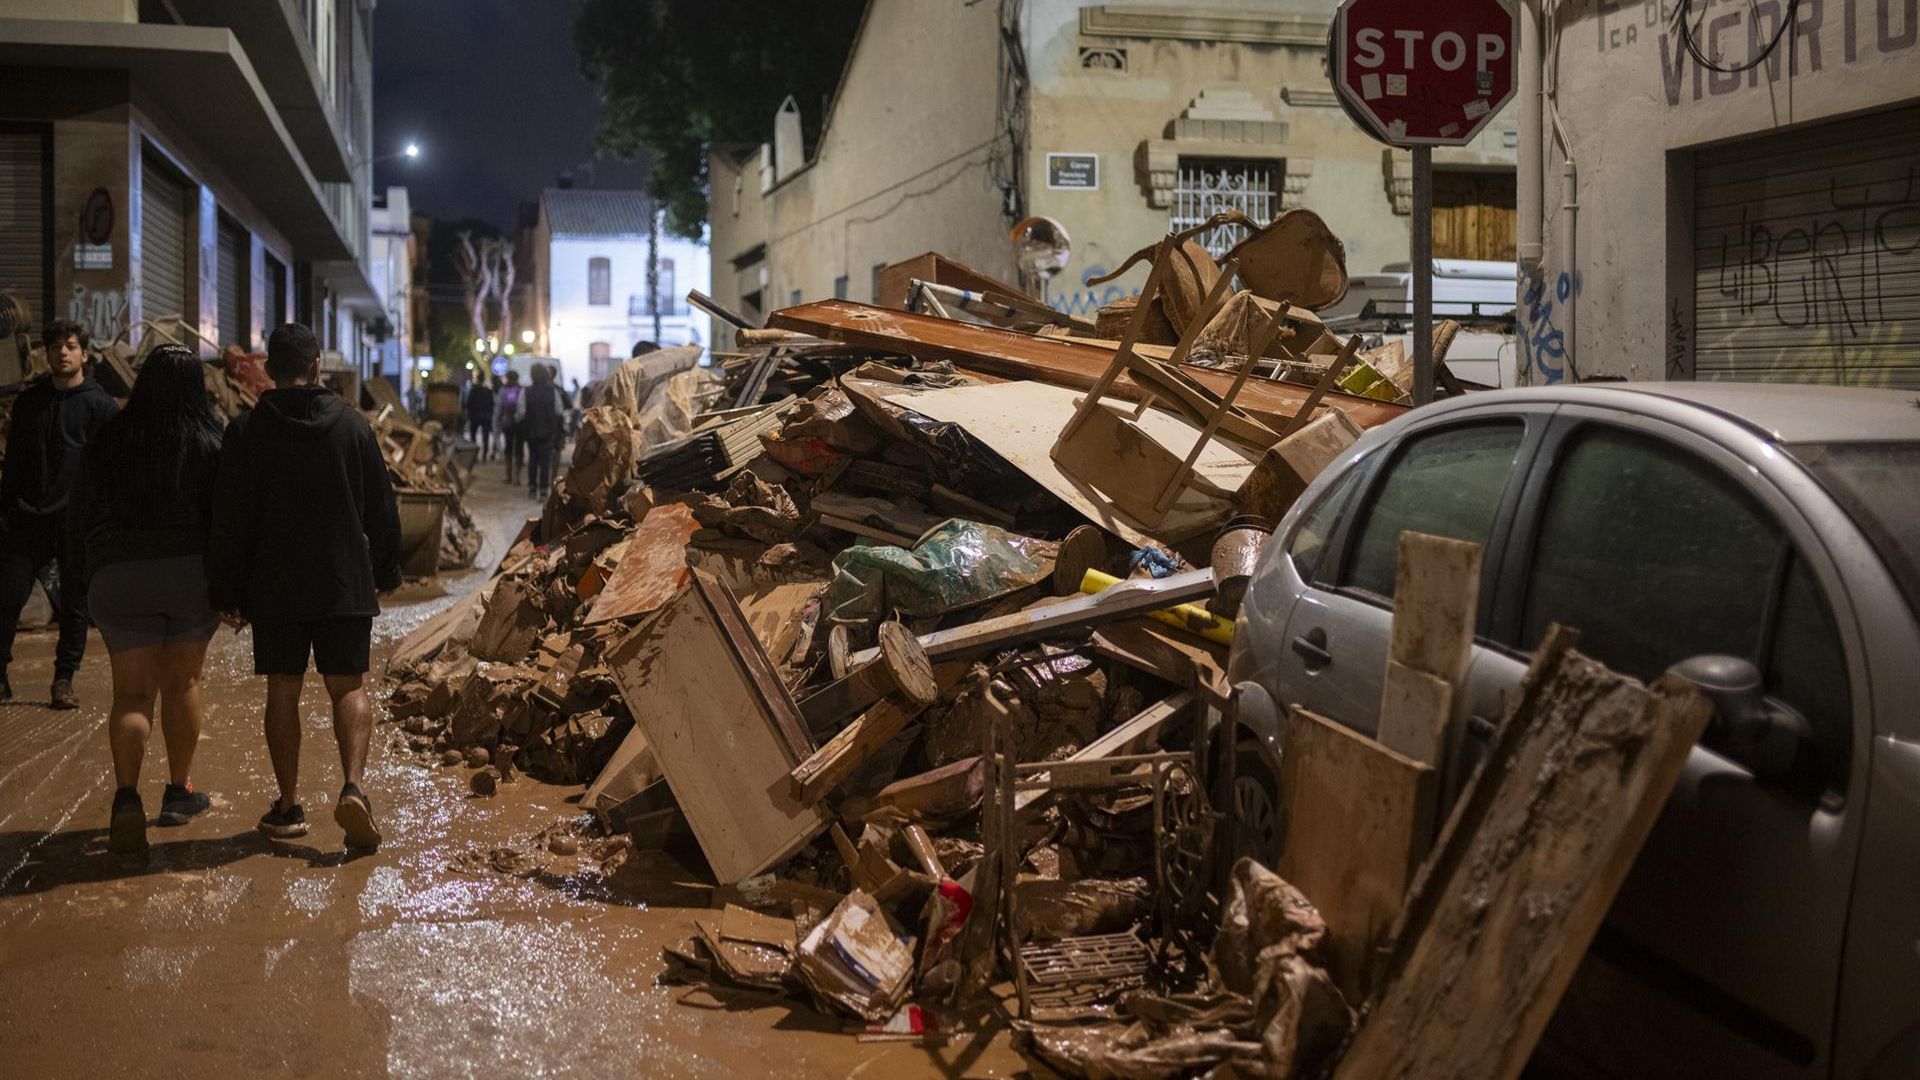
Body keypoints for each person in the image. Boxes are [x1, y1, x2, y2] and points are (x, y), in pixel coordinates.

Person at [209, 323, 401, 850]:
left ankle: (289, 805)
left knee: (284, 690)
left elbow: (229, 518)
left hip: (274, 586)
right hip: (342, 581)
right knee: (349, 688)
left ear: (269, 371)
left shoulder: (246, 432)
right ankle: (354, 788)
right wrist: (384, 573)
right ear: (317, 367)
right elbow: (381, 509)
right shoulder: (353, 427)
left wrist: (226, 592)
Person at [69, 345, 222, 852]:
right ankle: (178, 794)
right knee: (183, 684)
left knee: (131, 694)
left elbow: (81, 509)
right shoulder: (209, 440)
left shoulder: (111, 436)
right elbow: (228, 519)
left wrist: (83, 575)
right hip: (189, 575)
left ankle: (126, 799)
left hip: (118, 574)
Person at [0, 319, 117, 708]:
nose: (62, 353)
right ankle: (0, 675)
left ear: (84, 353)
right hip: (26, 519)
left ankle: (63, 680)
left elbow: (108, 470)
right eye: (55, 347)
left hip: (74, 522)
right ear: (46, 354)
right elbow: (13, 462)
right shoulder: (31, 403)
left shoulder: (100, 406)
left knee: (74, 605)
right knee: (7, 597)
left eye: (69, 346)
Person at [514, 362, 570, 499]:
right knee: (545, 461)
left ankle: (532, 488)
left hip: (531, 431)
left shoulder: (526, 391)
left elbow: (520, 412)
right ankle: (544, 490)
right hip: (548, 431)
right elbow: (559, 410)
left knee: (532, 458)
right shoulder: (553, 391)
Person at [495, 369, 524, 487]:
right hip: (520, 424)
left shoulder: (503, 390)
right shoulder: (522, 390)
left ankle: (508, 475)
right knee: (519, 450)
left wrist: (498, 422)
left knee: (508, 449)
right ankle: (517, 477)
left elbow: (499, 408)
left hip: (507, 422)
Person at [465, 375, 496, 460]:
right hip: (486, 416)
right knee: (485, 436)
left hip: (475, 415)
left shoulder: (473, 391)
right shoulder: (488, 391)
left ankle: (474, 456)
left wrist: (469, 414)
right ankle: (484, 456)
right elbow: (492, 404)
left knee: (473, 436)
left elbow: (468, 403)